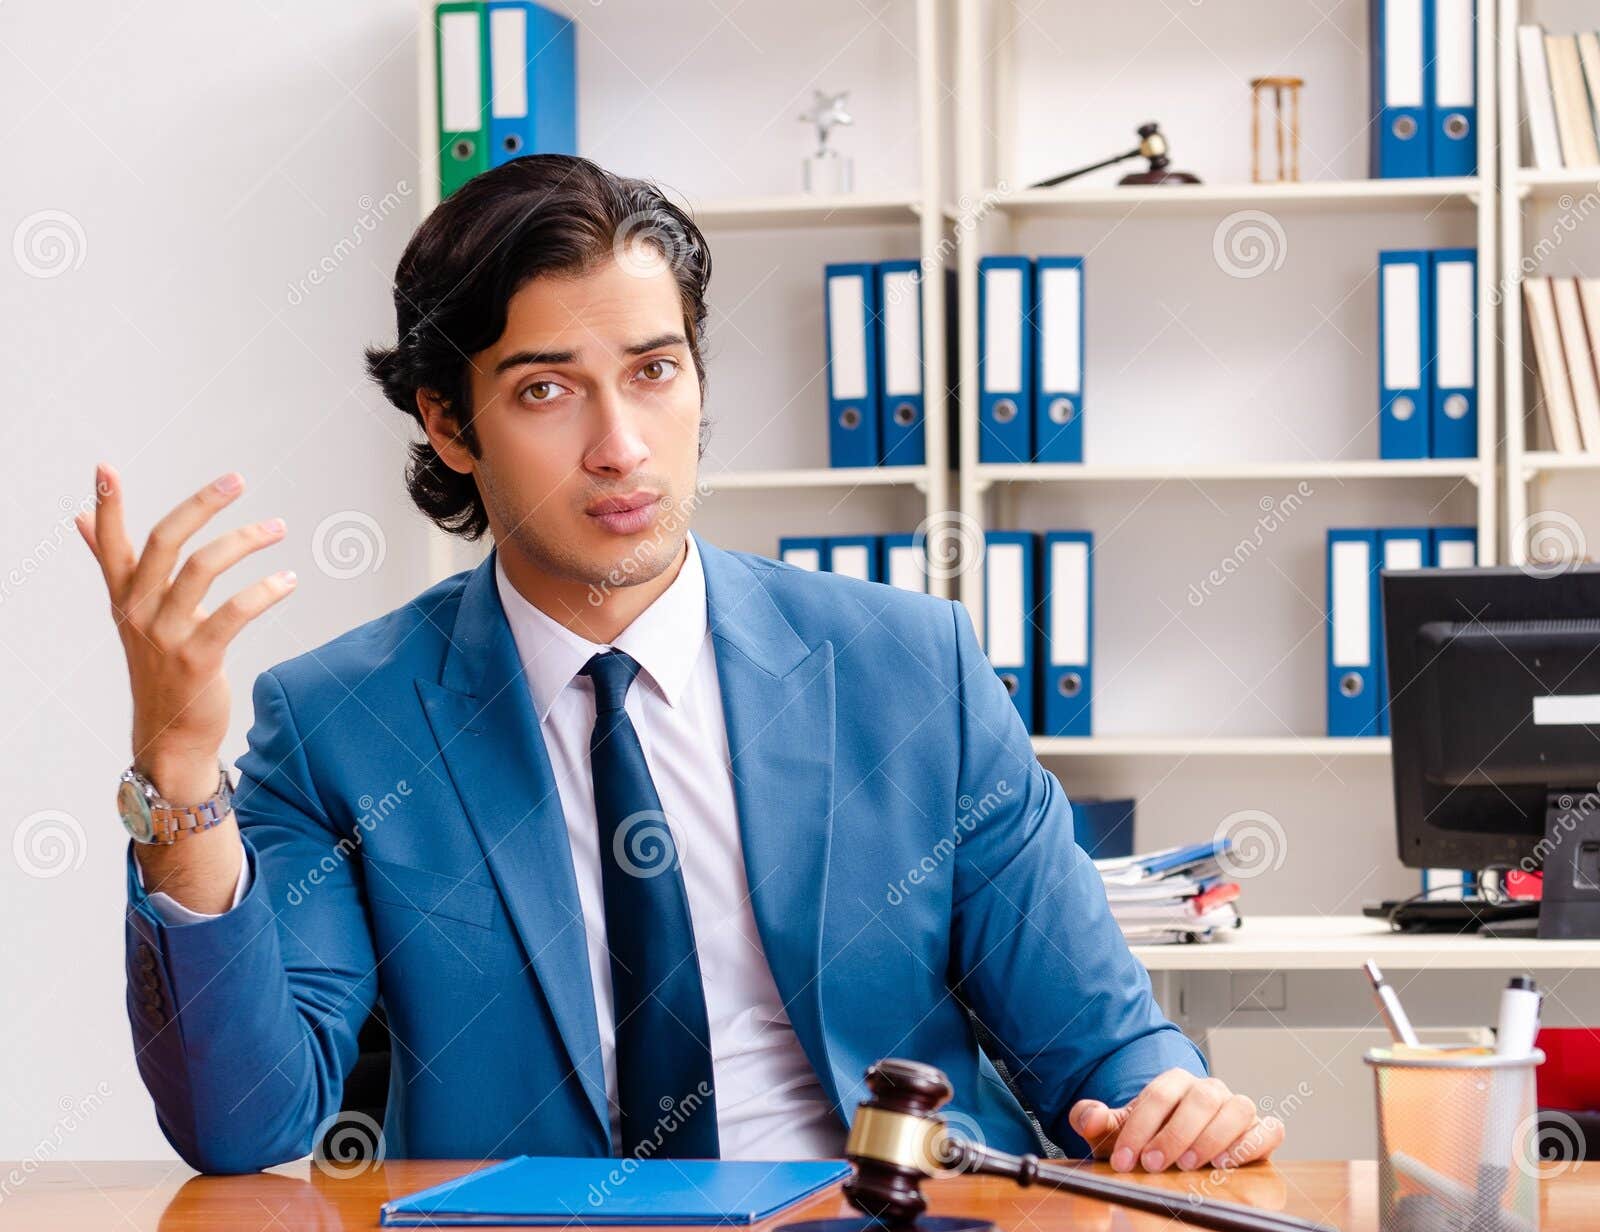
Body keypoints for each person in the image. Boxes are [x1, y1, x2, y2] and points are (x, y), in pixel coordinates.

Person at [81, 155, 1284, 1176]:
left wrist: (1171, 1098)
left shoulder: (913, 672)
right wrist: (179, 767)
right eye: (547, 389)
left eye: (654, 373)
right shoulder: (344, 723)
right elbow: (243, 1124)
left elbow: (1099, 1047)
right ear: (450, 424)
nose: (619, 447)